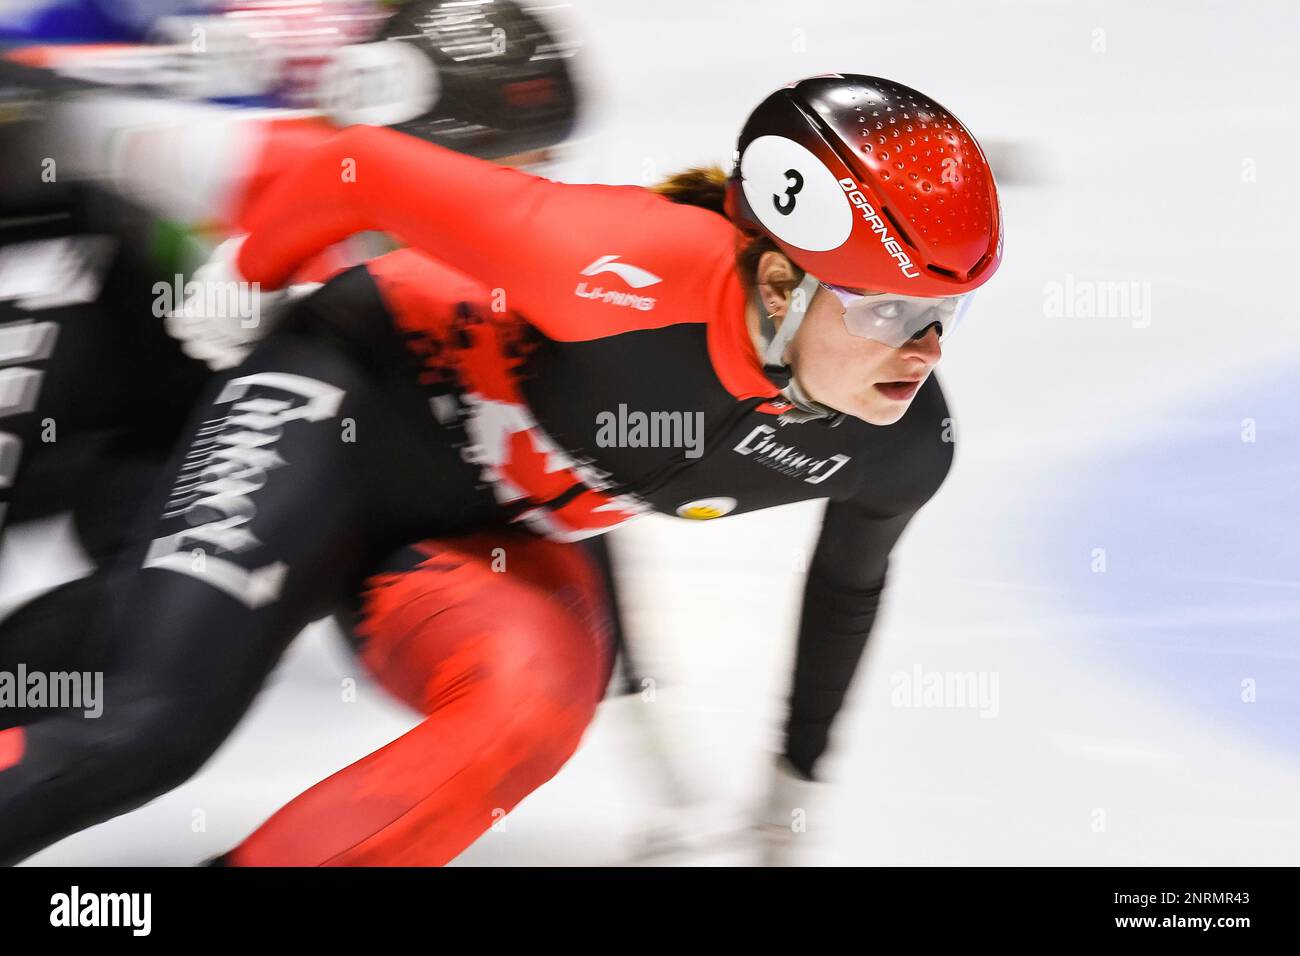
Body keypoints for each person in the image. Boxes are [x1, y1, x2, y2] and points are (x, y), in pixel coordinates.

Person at [0, 73, 1002, 865]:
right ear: (781, 278)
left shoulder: (898, 443)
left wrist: (796, 784)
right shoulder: (619, 263)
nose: (924, 353)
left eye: (940, 316)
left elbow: (845, 587)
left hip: (480, 532)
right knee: (147, 724)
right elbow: (359, 167)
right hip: (340, 401)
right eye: (887, 310)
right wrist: (246, 280)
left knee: (531, 706)